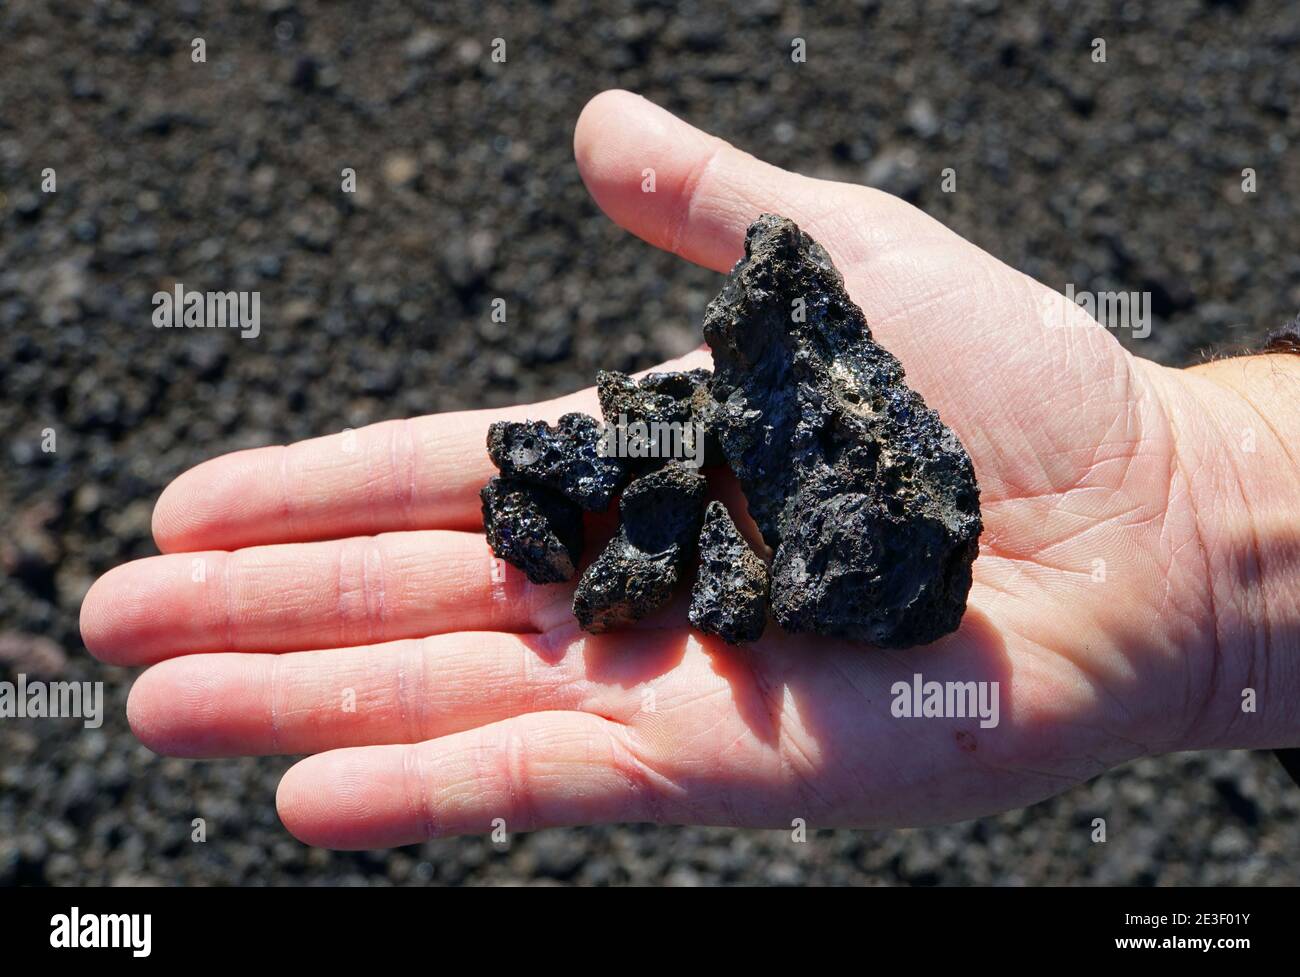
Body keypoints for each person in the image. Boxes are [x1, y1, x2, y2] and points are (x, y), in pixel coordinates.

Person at [80, 90, 1300, 849]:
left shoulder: (794, 412)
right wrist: (1211, 509)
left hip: (869, 564)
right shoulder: (741, 430)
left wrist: (1194, 501)